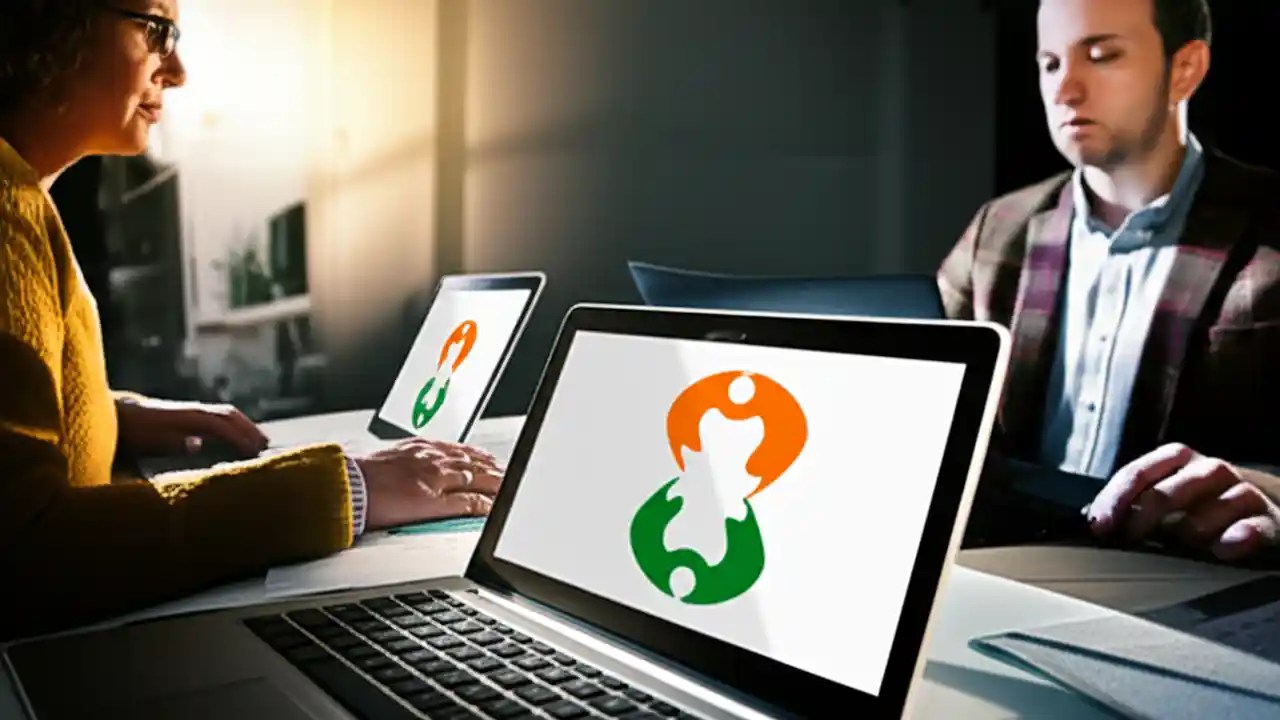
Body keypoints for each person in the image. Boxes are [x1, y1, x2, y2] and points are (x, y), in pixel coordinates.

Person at [0, 0, 502, 640]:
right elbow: (26, 552)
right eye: (156, 28)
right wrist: (345, 485)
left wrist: (113, 417)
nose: (175, 69)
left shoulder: (22, 195)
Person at [938, 0, 1280, 561]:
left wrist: (1268, 496)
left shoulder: (1271, 225)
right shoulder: (998, 230)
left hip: (1197, 580)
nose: (1065, 89)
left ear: (1185, 69)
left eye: (1101, 56)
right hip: (1013, 565)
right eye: (1050, 63)